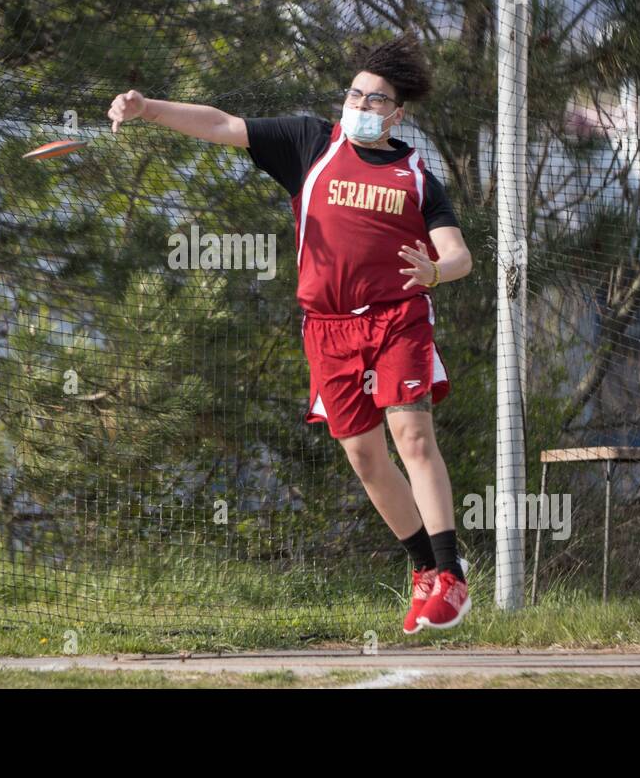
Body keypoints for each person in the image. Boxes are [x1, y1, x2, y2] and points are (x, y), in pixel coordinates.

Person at [106, 31, 473, 633]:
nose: (359, 105)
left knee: (411, 437)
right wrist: (149, 109)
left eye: (375, 100)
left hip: (396, 319)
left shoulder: (416, 176)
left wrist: (435, 270)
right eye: (354, 94)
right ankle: (423, 574)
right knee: (363, 456)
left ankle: (450, 574)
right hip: (326, 329)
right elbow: (224, 124)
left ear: (397, 113)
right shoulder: (311, 143)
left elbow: (460, 256)